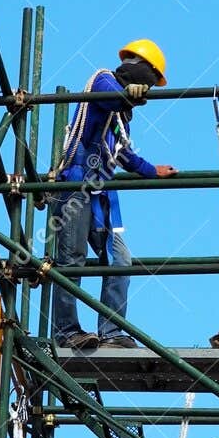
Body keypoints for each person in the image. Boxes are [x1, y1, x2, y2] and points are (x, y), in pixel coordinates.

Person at [49, 39, 178, 350]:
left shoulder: (121, 121)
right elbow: (109, 96)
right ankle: (66, 331)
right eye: (150, 81)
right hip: (73, 183)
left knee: (120, 260)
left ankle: (111, 331)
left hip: (100, 192)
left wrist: (151, 170)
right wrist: (125, 97)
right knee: (71, 260)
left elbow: (125, 156)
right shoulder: (102, 78)